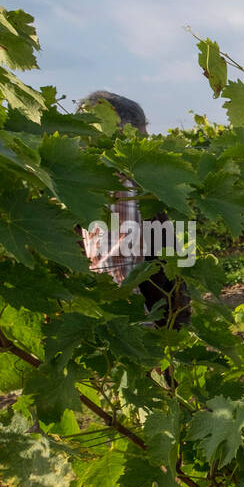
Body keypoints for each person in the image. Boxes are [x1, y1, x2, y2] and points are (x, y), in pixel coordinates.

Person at [77, 90, 189, 330]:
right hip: (137, 329)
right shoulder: (116, 183)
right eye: (141, 130)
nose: (148, 137)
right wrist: (142, 332)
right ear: (120, 131)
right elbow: (116, 270)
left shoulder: (85, 180)